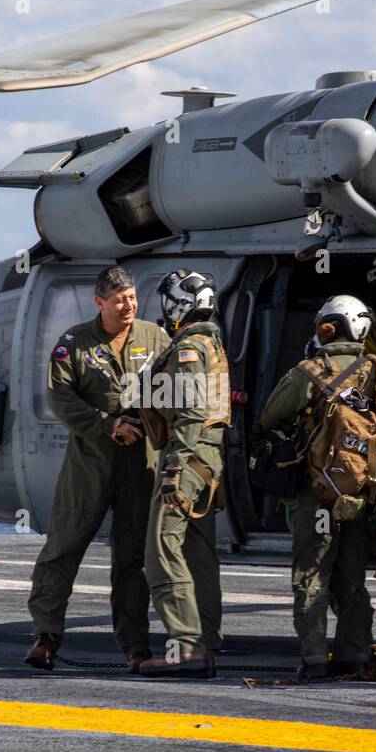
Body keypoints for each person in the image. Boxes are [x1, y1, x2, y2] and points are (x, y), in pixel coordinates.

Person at [259, 295, 376, 679]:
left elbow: (270, 416)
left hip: (319, 493)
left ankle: (314, 660)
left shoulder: (309, 371)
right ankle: (355, 655)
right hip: (367, 491)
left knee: (313, 575)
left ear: (329, 327)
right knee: (352, 579)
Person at [24, 265, 170, 672]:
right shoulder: (74, 343)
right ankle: (45, 638)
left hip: (140, 463)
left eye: (132, 299)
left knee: (133, 557)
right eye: (119, 299)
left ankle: (135, 647)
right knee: (63, 547)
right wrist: (108, 426)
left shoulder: (155, 338)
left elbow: (174, 387)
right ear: (100, 302)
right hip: (90, 461)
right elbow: (62, 398)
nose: (128, 306)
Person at [136, 269, 229, 679]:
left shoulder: (189, 348)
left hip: (188, 459)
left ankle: (187, 649)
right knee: (197, 554)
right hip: (207, 459)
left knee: (160, 551)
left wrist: (172, 468)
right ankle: (206, 639)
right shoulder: (212, 343)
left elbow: (191, 412)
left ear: (177, 305)